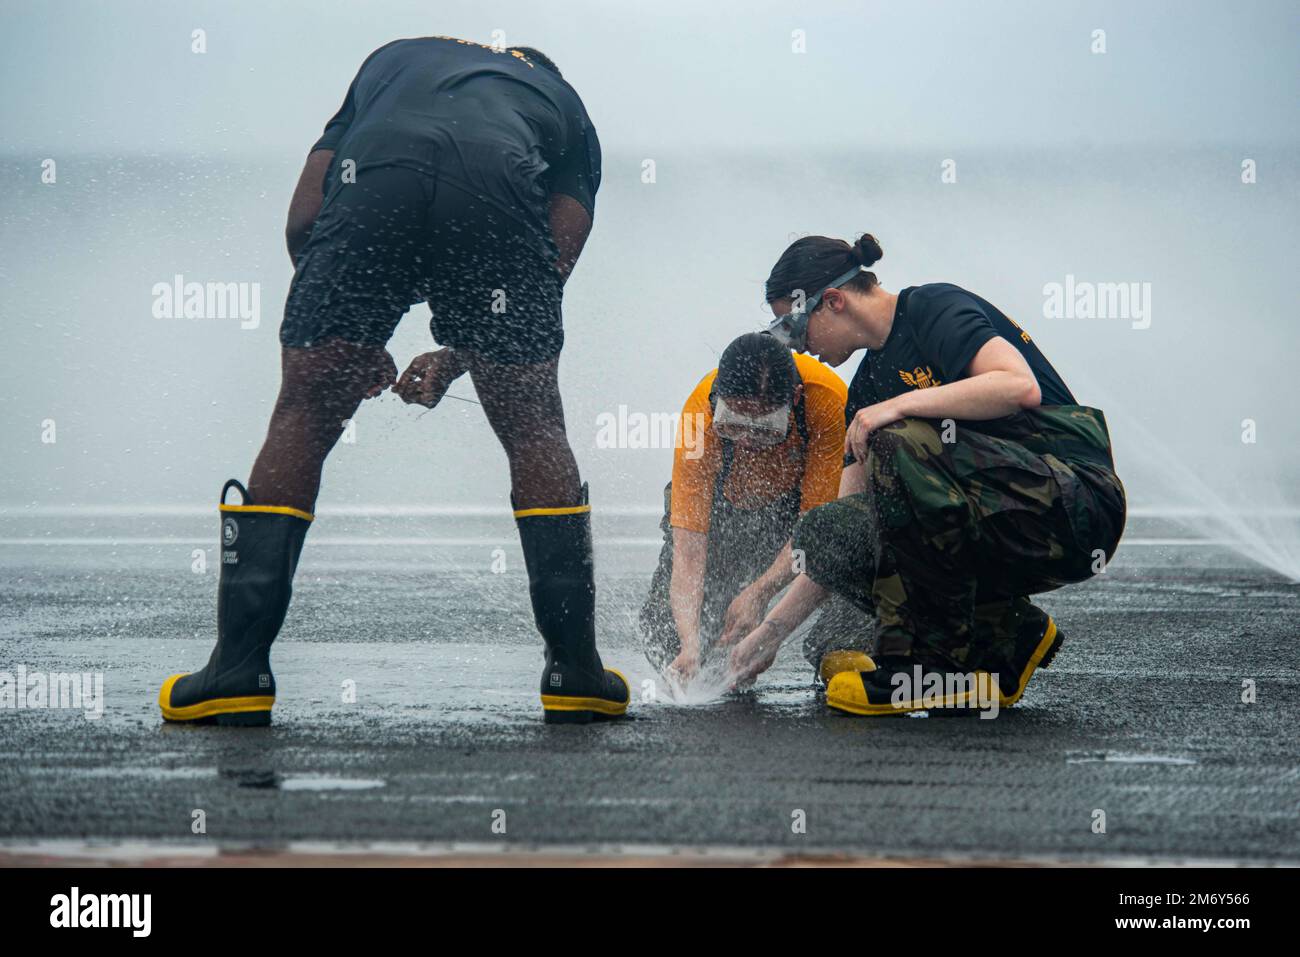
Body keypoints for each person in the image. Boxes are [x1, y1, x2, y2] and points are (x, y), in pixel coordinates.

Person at [158, 37, 629, 726]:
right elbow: (549, 262)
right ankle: (576, 673)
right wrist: (473, 349)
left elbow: (306, 221)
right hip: (495, 196)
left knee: (303, 414)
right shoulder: (566, 110)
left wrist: (348, 339)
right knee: (534, 426)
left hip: (378, 177)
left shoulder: (393, 61)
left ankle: (236, 671)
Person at [726, 233, 1126, 715]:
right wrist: (771, 632)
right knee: (829, 530)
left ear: (832, 301)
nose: (797, 348)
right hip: (998, 524)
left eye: (793, 327)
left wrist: (894, 408)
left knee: (899, 438)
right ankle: (1007, 634)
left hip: (1072, 502)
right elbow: (851, 525)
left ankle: (927, 670)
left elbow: (1018, 386)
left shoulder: (932, 308)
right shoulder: (868, 388)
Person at [639, 333, 873, 684]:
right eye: (732, 426)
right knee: (668, 636)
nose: (747, 442)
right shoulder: (698, 420)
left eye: (764, 430)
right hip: (725, 507)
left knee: (848, 548)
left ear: (793, 400)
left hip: (795, 509)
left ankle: (839, 645)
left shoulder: (826, 401)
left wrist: (760, 592)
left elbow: (817, 529)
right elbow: (688, 555)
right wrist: (689, 646)